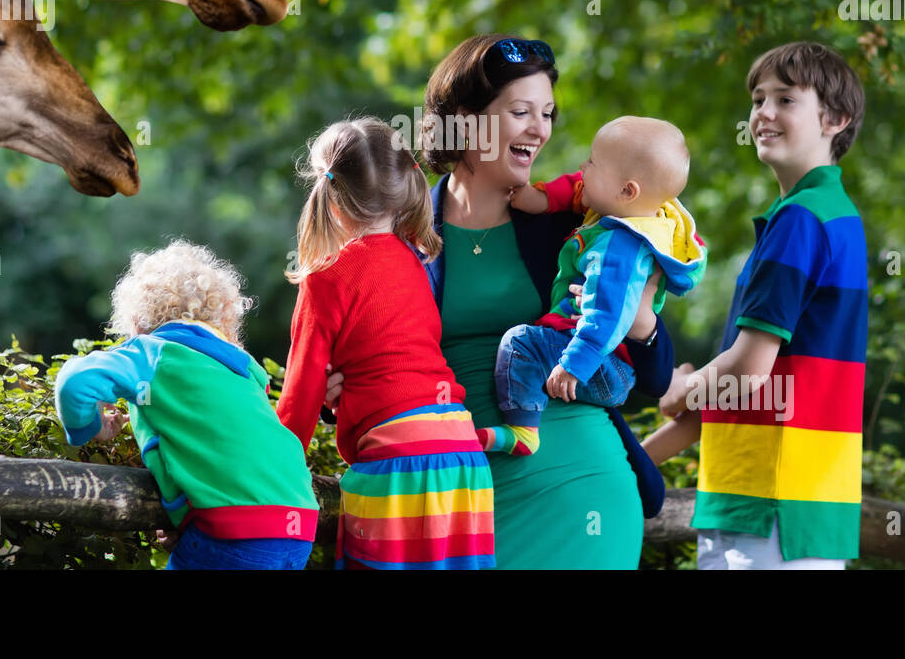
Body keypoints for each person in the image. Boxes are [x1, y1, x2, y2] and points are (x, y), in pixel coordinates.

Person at [322, 35, 670, 568]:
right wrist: (338, 388)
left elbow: (654, 378)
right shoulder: (398, 238)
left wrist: (641, 322)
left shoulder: (576, 226)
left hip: (580, 490)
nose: (541, 129)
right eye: (521, 111)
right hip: (450, 500)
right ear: (465, 121)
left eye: (547, 113)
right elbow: (365, 362)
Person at [646, 41, 868, 569]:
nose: (763, 113)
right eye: (758, 99)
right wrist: (635, 459)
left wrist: (678, 387)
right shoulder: (835, 215)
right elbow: (752, 387)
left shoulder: (800, 221)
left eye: (786, 99)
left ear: (835, 119)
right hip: (805, 506)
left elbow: (746, 371)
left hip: (765, 504)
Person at [275, 117, 495, 570]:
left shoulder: (325, 279)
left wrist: (267, 470)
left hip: (398, 465)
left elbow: (298, 400)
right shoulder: (414, 264)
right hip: (463, 458)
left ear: (330, 200)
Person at [53, 240, 319, 570]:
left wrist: (89, 428)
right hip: (298, 523)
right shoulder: (243, 370)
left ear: (136, 322)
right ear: (224, 320)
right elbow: (229, 455)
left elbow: (75, 381)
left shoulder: (155, 352)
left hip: (237, 529)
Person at [477, 116, 706, 457]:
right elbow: (576, 187)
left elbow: (608, 314)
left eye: (593, 162)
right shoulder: (628, 213)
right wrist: (540, 198)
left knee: (520, 342)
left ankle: (523, 429)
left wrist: (575, 365)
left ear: (627, 191)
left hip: (600, 363)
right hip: (604, 361)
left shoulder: (620, 246)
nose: (583, 165)